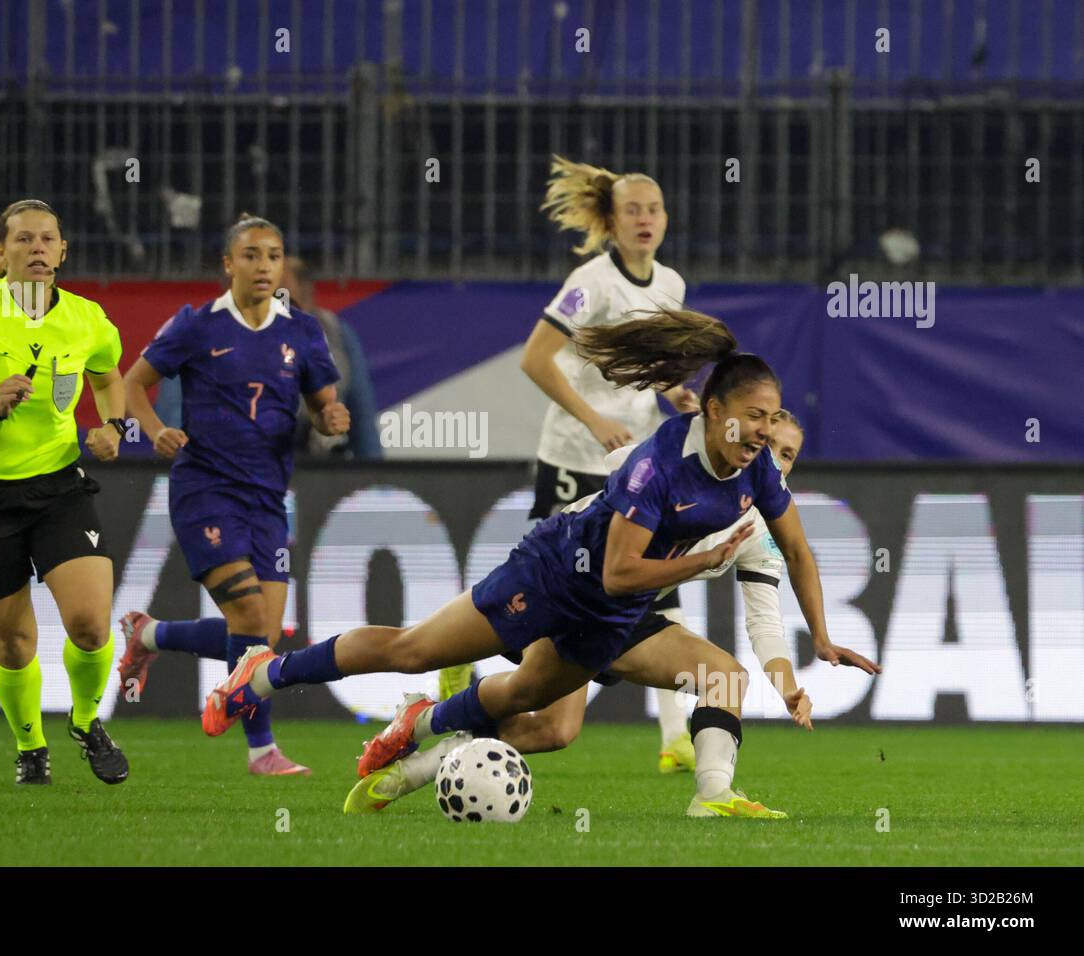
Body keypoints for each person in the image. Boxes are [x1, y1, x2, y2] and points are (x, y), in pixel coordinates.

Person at [207, 308, 877, 816]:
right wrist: (703, 564)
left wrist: (818, 637)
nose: (761, 433)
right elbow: (619, 572)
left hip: (618, 613)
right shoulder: (656, 466)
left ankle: (708, 798)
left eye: (770, 421)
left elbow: (797, 550)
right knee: (414, 651)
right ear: (712, 410)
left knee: (562, 705)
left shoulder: (754, 473)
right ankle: (264, 675)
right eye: (752, 418)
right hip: (559, 575)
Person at [344, 411, 839, 814]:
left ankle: (712, 796)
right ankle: (420, 730)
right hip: (574, 583)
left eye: (788, 454)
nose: (775, 458)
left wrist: (786, 683)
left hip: (627, 614)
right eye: (770, 442)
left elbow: (765, 621)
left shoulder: (761, 533)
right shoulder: (689, 468)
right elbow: (627, 462)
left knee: (712, 681)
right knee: (531, 707)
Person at [438, 154, 697, 701]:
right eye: (632, 210)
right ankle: (462, 651)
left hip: (635, 465)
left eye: (654, 209)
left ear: (666, 217)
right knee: (545, 587)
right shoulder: (591, 282)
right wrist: (594, 419)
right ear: (613, 219)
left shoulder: (671, 285)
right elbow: (536, 358)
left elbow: (651, 369)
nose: (645, 219)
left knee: (653, 581)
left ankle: (676, 739)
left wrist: (676, 393)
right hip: (575, 457)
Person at [117, 214, 349, 777]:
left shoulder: (303, 330)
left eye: (272, 255)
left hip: (268, 496)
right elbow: (131, 382)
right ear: (228, 263)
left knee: (262, 639)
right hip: (205, 489)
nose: (263, 265)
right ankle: (261, 751)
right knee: (247, 614)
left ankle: (147, 634)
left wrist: (331, 417)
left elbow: (325, 405)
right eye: (250, 255)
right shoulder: (197, 327)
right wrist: (154, 431)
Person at [0, 198, 130, 786]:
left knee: (90, 624)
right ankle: (30, 746)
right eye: (24, 240)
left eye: (48, 239)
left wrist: (113, 427)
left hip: (59, 488)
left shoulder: (88, 318)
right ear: (3, 251)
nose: (37, 248)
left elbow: (110, 377)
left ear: (63, 252)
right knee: (14, 643)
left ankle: (87, 721)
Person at [283, 256, 382, 460]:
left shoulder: (338, 334)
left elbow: (361, 418)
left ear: (306, 292)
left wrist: (375, 478)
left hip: (324, 462)